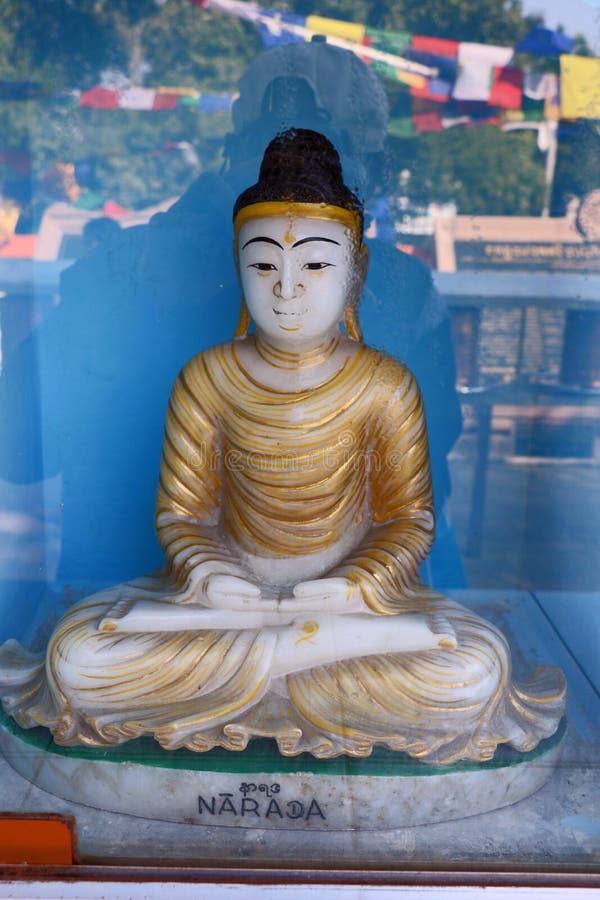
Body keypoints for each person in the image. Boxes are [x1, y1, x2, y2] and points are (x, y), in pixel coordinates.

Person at [0, 131, 565, 762]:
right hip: (225, 612)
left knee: (471, 669)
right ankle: (294, 667)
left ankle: (272, 671)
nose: (287, 289)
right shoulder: (207, 377)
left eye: (316, 265)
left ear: (355, 272)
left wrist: (353, 587)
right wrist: (212, 575)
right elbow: (182, 516)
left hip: (352, 611)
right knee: (78, 657)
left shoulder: (384, 385)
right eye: (264, 265)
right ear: (238, 269)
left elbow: (409, 520)